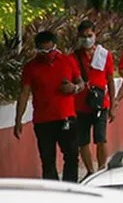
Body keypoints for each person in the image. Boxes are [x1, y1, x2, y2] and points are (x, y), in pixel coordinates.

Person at [16, 30, 84, 181]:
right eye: (43, 50)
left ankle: (70, 187)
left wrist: (74, 88)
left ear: (55, 46)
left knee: (71, 156)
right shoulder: (31, 67)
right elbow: (24, 93)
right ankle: (52, 191)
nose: (47, 54)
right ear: (37, 49)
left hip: (66, 117)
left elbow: (81, 83)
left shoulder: (67, 61)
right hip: (43, 120)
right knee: (47, 160)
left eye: (50, 50)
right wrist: (18, 119)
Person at [73, 20, 116, 175]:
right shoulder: (74, 57)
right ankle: (90, 171)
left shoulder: (104, 55)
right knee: (83, 140)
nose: (87, 39)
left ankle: (102, 169)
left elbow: (110, 80)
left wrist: (113, 105)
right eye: (83, 36)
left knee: (100, 138)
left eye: (89, 35)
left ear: (95, 34)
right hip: (80, 105)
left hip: (100, 104)